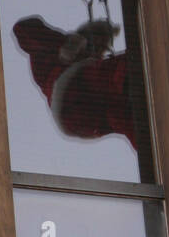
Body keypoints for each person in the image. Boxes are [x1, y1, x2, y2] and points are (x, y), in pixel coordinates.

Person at [13, 16, 137, 149]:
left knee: (121, 117)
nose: (101, 52)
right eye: (101, 44)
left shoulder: (88, 68)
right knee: (113, 72)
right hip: (69, 97)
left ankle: (151, 144)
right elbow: (21, 29)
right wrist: (63, 43)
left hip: (80, 118)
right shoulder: (54, 57)